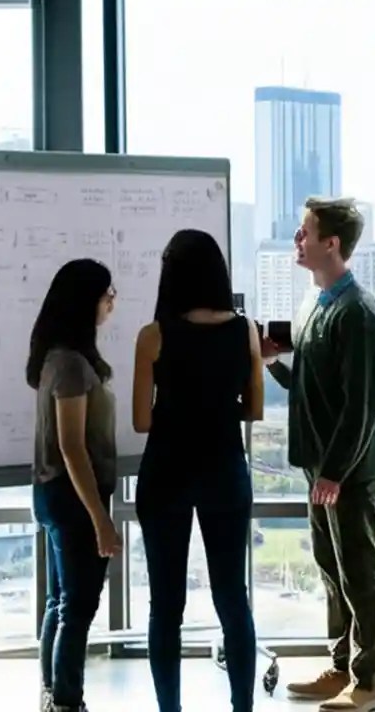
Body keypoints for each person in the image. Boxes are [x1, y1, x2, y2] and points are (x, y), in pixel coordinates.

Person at [263, 197, 375, 712]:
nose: (297, 240)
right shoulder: (314, 306)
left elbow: (361, 405)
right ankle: (341, 668)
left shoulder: (358, 313)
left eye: (304, 232)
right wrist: (272, 363)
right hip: (321, 467)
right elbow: (312, 391)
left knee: (359, 571)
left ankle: (370, 682)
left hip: (348, 471)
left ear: (330, 243)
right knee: (330, 569)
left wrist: (336, 472)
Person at [132, 228, 265, 712]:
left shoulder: (153, 336)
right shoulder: (244, 330)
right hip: (224, 469)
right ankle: (242, 708)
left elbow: (141, 420)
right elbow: (253, 410)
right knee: (232, 597)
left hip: (166, 470)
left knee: (166, 607)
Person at [27, 259, 121, 712]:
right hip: (73, 497)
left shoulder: (61, 358)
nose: (112, 300)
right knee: (76, 608)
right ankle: (66, 701)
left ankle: (53, 694)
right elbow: (72, 447)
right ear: (87, 301)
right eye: (107, 293)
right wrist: (101, 519)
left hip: (56, 495)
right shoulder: (68, 364)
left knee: (60, 602)